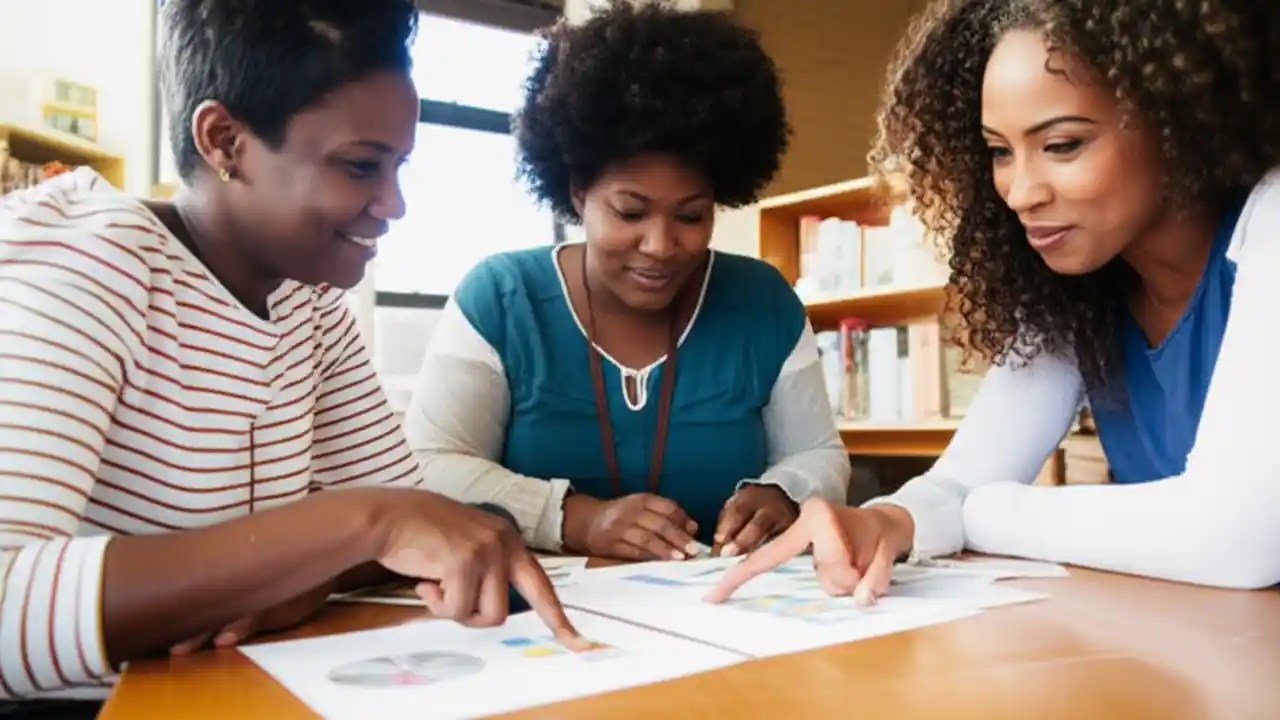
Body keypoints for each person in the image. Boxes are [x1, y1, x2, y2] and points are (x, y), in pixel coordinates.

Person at [0, 0, 580, 706]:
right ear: (225, 141)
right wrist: (364, 524)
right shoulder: (84, 258)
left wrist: (309, 569)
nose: (394, 204)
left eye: (399, 166)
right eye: (361, 166)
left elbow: (414, 530)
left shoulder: (309, 305)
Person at [709, 0, 1280, 604]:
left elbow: (1234, 536)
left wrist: (982, 512)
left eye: (1061, 145)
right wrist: (886, 521)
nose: (1021, 192)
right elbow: (958, 482)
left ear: (1179, 115)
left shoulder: (1271, 217)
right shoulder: (1078, 295)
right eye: (1000, 152)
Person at [405, 2, 849, 563]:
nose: (662, 246)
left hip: (724, 610)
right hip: (542, 619)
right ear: (576, 194)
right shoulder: (499, 298)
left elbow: (819, 453)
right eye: (630, 212)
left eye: (691, 216)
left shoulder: (763, 303)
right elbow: (431, 465)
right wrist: (576, 519)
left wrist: (784, 492)